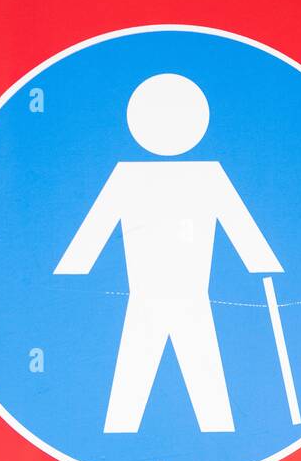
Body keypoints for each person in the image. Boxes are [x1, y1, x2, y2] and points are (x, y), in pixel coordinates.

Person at [54, 73, 283, 433]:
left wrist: (261, 261)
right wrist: (260, 262)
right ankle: (126, 435)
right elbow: (90, 238)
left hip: (190, 297)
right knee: (134, 382)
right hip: (146, 297)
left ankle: (207, 432)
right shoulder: (132, 177)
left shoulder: (205, 177)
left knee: (202, 383)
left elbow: (242, 231)